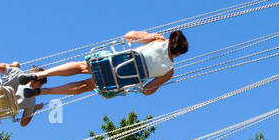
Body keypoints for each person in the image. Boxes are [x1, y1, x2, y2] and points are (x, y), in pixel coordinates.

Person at [27, 30, 188, 98]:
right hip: (117, 81)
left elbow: (129, 36)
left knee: (81, 67)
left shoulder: (158, 39)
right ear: (179, 53)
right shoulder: (169, 71)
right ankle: (45, 91)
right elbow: (147, 91)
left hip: (110, 62)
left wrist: (148, 35)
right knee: (85, 86)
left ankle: (42, 74)